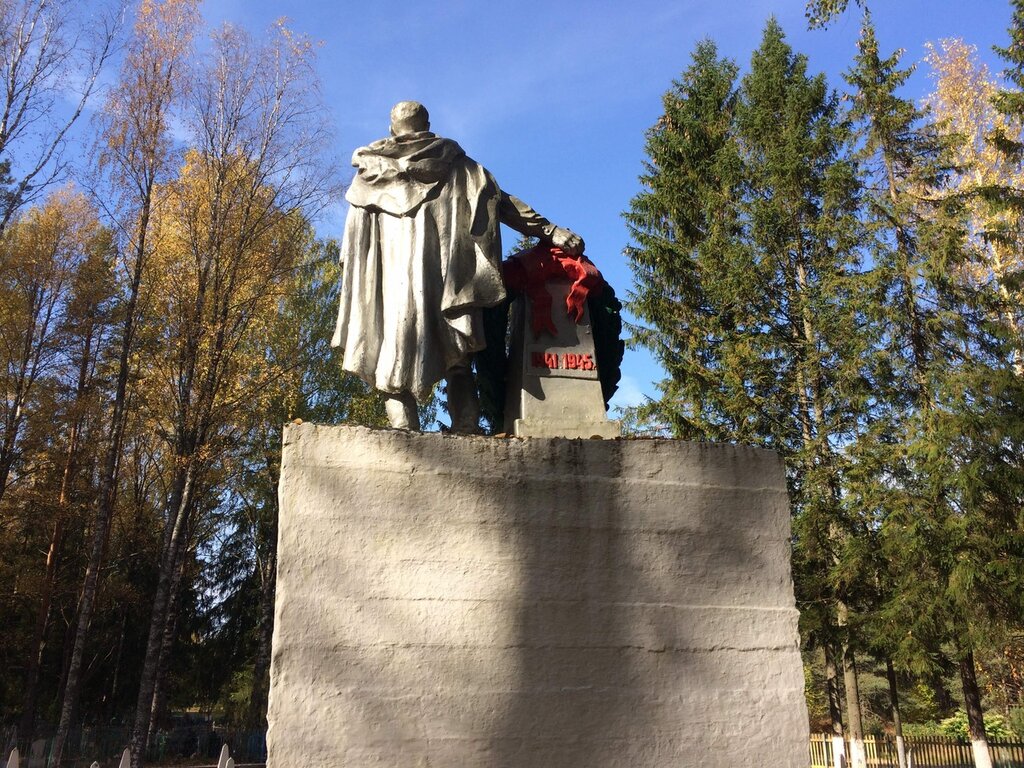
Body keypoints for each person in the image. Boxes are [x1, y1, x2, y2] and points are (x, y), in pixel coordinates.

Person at [332, 101, 584, 432]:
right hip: (448, 282)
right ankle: (466, 425)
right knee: (458, 357)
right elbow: (503, 203)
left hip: (395, 289)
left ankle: (404, 431)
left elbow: (355, 249)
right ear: (426, 125)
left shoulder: (369, 178)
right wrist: (551, 231)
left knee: (392, 349)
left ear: (393, 128)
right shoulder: (456, 166)